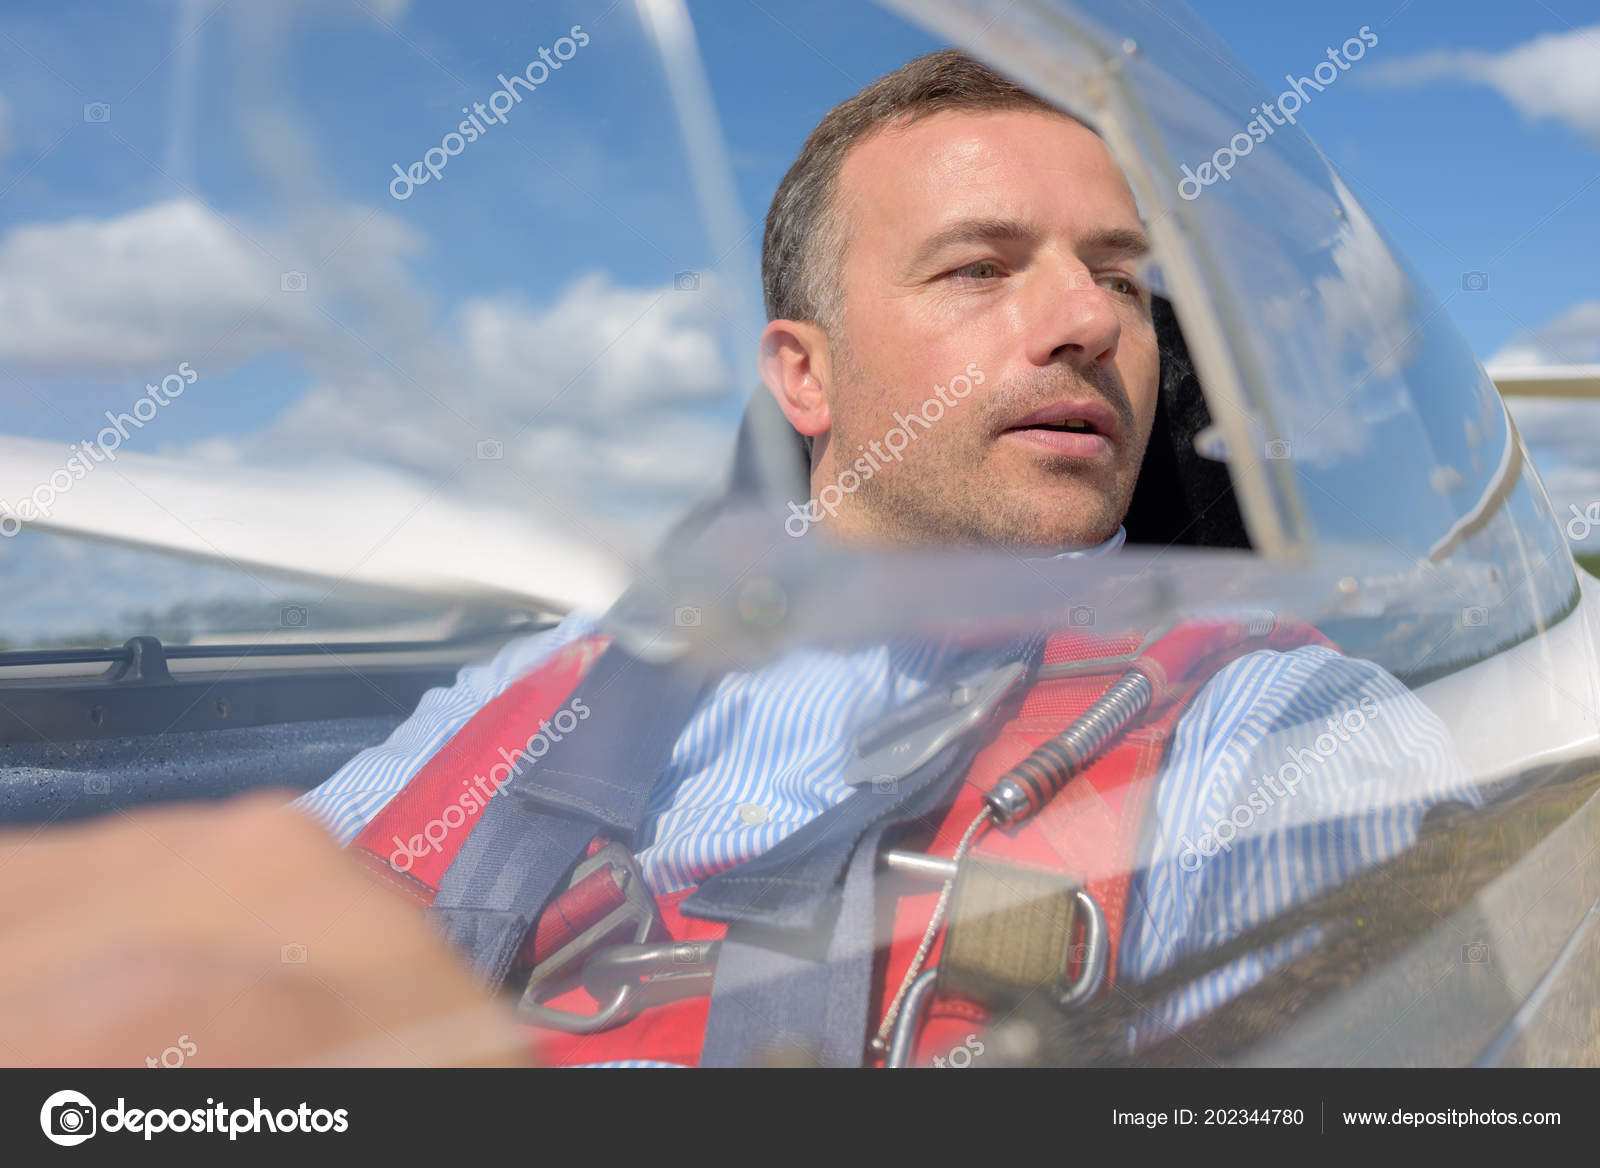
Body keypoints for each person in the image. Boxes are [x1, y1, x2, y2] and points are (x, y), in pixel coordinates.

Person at [2, 50, 1469, 1067]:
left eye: (1120, 276)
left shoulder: (1275, 740)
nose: (1089, 321)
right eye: (979, 267)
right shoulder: (554, 682)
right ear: (803, 377)